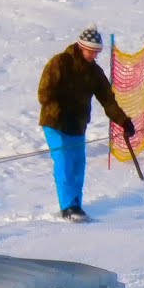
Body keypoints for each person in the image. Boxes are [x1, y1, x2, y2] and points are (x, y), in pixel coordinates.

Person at [37, 26, 135, 223]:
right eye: (92, 51)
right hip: (55, 122)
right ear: (82, 47)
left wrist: (124, 121)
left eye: (97, 52)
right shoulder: (60, 62)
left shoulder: (94, 72)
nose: (94, 55)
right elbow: (44, 92)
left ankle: (76, 205)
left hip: (77, 125)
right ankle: (67, 207)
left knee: (78, 165)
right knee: (64, 162)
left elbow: (108, 101)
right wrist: (59, 109)